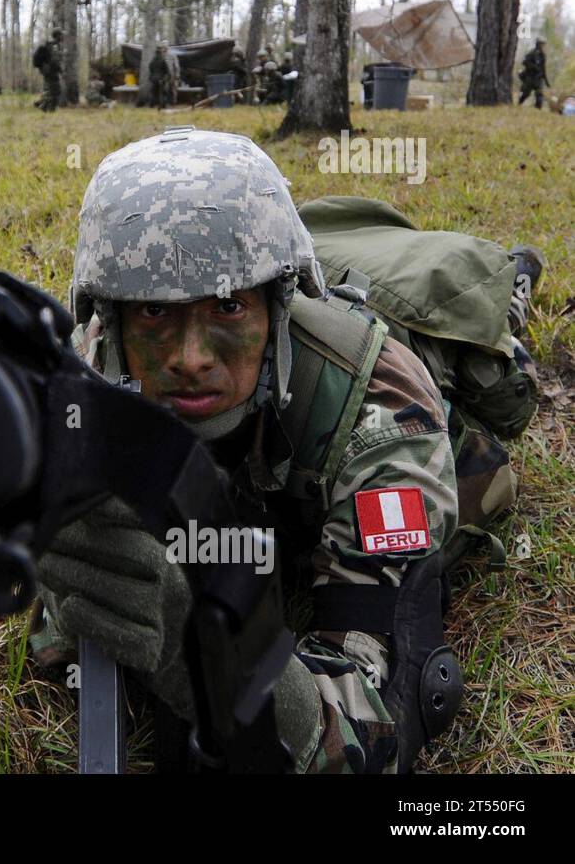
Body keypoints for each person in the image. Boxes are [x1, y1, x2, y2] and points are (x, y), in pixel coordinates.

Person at [30, 127, 543, 773]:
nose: (189, 361)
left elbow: (383, 714)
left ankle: (514, 284)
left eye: (225, 308)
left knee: (485, 369)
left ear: (275, 311)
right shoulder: (93, 370)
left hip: (408, 368)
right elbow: (61, 631)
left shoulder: (381, 416)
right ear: (110, 317)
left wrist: (214, 658)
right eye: (155, 315)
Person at [33, 28, 64, 112]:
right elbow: (54, 60)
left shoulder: (51, 44)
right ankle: (46, 107)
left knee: (49, 89)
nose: (63, 36)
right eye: (61, 35)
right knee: (56, 90)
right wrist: (60, 70)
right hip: (50, 70)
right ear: (57, 36)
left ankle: (42, 104)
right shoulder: (54, 46)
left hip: (47, 70)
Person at [518, 39, 550, 109]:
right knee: (526, 94)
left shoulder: (542, 55)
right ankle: (518, 105)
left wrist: (546, 80)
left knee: (539, 95)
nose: (543, 46)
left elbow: (543, 68)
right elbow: (524, 62)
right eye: (542, 44)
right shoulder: (531, 53)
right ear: (538, 44)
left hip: (538, 78)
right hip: (530, 78)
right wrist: (534, 67)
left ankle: (538, 109)